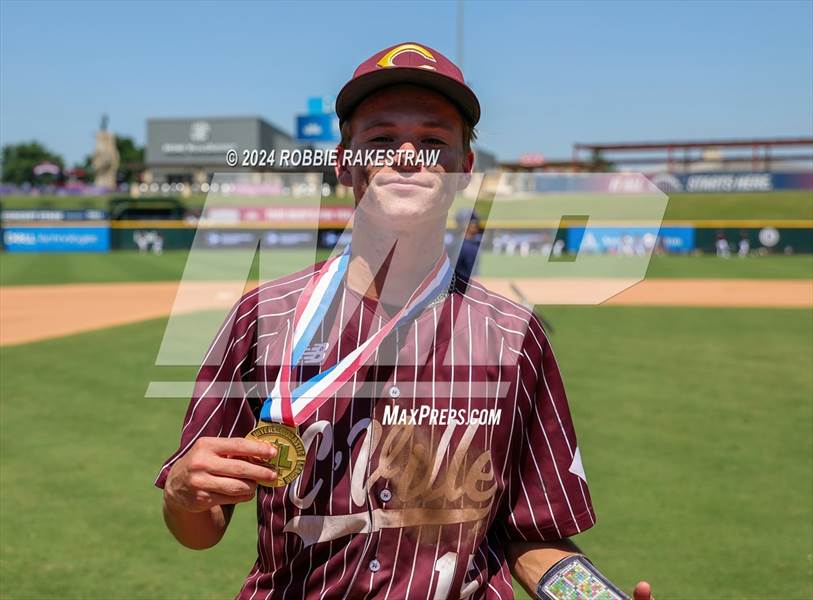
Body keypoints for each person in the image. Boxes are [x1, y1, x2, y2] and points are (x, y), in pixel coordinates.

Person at [155, 42, 653, 600]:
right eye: (383, 138)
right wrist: (181, 494)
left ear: (465, 170)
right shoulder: (264, 315)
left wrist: (591, 597)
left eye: (435, 141)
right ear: (346, 163)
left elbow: (531, 535)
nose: (408, 154)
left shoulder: (515, 337)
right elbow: (201, 527)